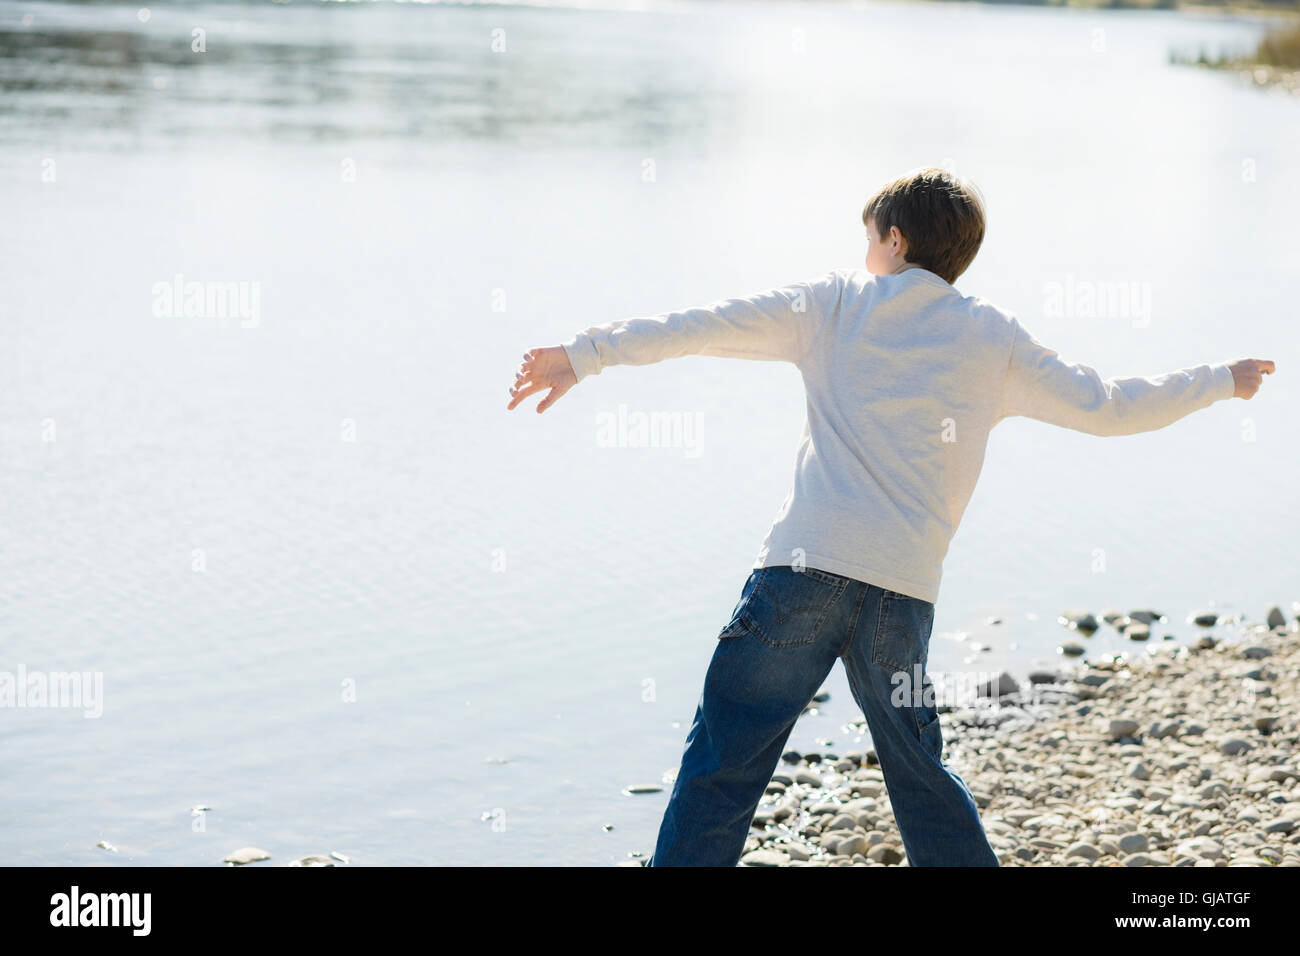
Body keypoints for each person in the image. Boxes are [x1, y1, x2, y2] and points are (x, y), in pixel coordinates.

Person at [504, 166, 1275, 867]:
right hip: (900, 598)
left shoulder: (834, 303)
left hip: (798, 578)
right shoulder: (991, 336)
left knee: (723, 764)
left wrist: (586, 353)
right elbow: (1110, 407)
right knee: (918, 775)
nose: (864, 252)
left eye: (869, 238)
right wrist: (1218, 379)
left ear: (895, 239)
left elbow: (702, 325)